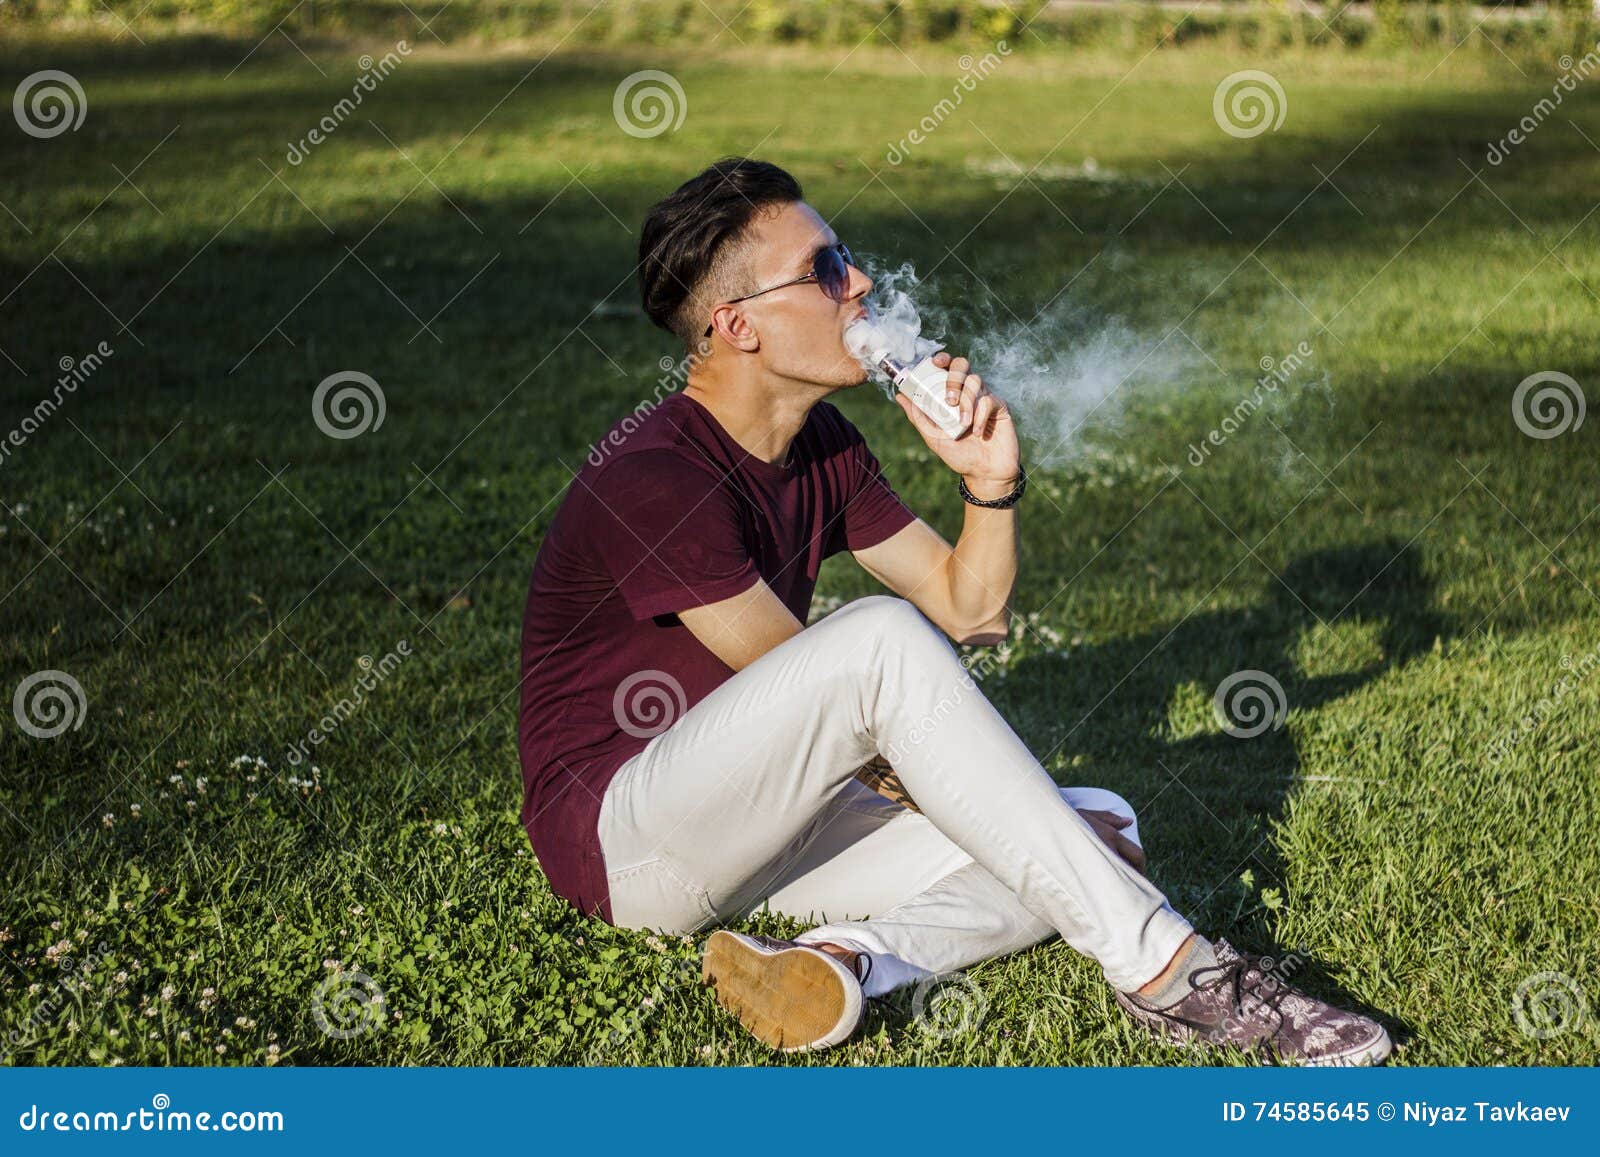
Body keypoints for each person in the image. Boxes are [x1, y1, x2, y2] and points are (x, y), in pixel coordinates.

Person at [517, 157, 1391, 1066]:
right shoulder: (658, 476)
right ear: (736, 325)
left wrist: (989, 483)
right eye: (823, 271)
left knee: (1102, 827)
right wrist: (981, 804)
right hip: (630, 847)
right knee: (889, 654)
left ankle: (841, 959)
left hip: (758, 823)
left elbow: (972, 609)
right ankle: (1173, 972)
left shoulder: (823, 444)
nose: (857, 283)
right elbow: (822, 688)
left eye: (844, 256)